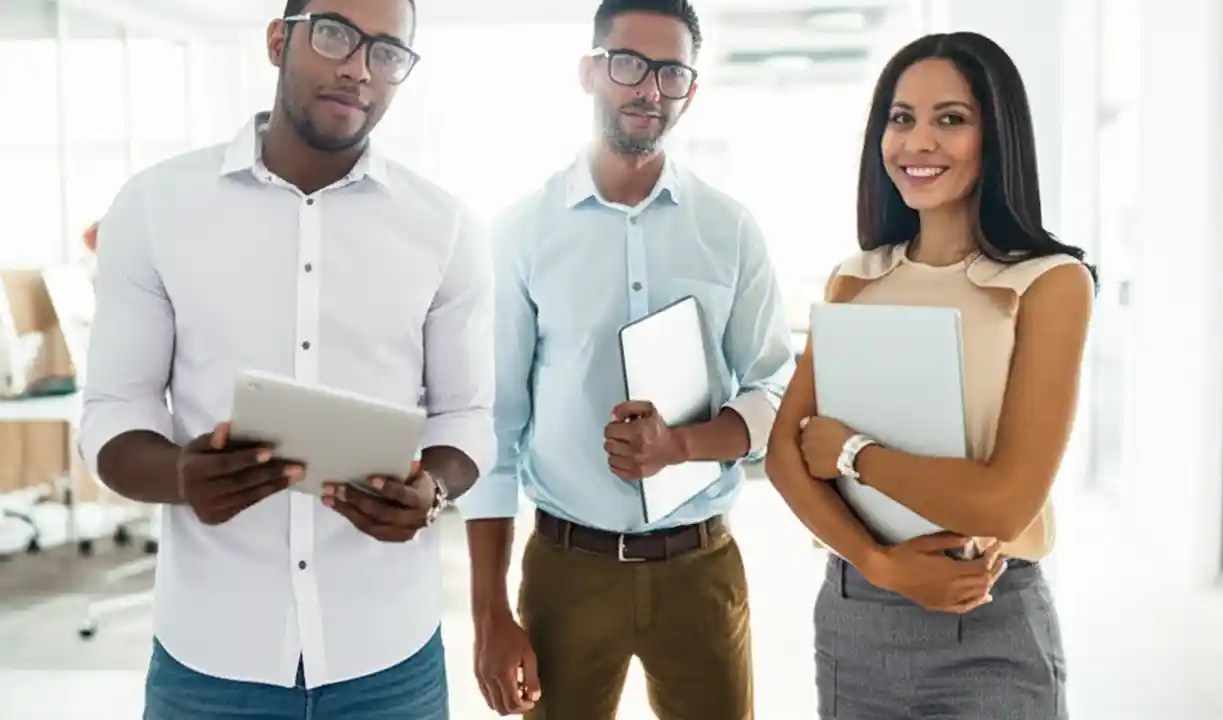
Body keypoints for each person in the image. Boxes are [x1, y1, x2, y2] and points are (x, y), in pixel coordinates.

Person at [79, 0, 494, 717]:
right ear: (279, 41)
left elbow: (467, 416)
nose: (359, 69)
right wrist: (180, 477)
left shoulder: (446, 227)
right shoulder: (153, 207)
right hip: (210, 655)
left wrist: (432, 492)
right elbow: (115, 408)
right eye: (335, 35)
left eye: (387, 53)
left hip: (388, 653)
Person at [455, 1, 794, 718]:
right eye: (629, 65)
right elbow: (494, 430)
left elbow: (774, 387)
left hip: (701, 568)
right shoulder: (522, 233)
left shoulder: (729, 229)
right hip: (566, 571)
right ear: (589, 72)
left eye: (671, 73)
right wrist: (488, 613)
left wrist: (682, 446)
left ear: (691, 90)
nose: (649, 89)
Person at [766, 32, 1095, 720]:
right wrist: (877, 563)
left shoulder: (1048, 284)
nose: (918, 141)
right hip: (856, 615)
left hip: (987, 618)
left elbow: (1004, 505)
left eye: (951, 118)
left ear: (995, 134)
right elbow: (784, 458)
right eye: (901, 117)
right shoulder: (856, 279)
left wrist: (853, 454)